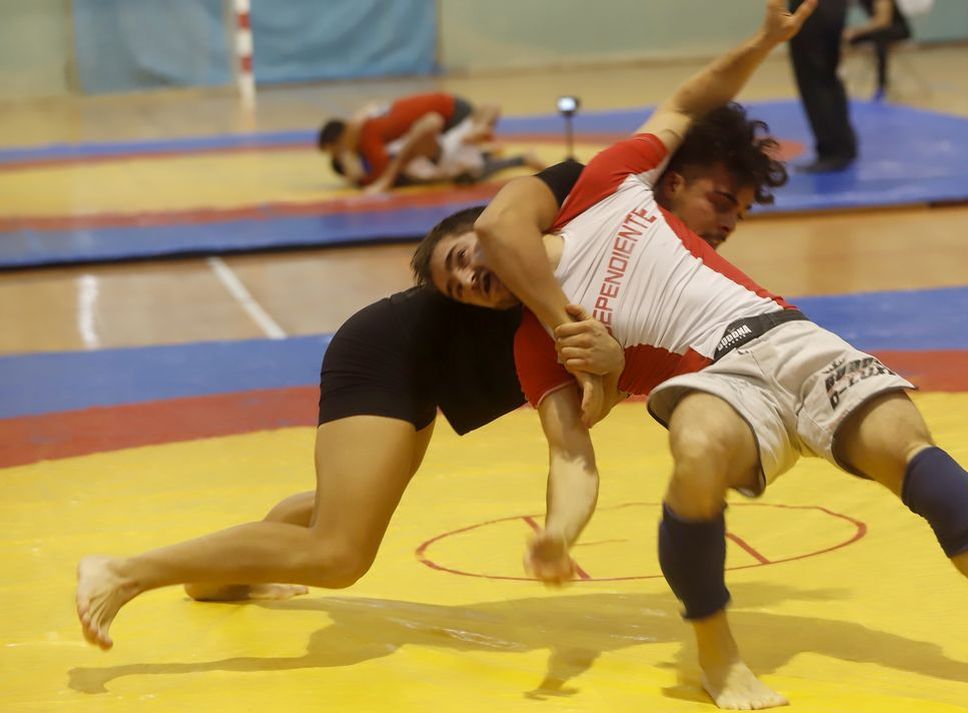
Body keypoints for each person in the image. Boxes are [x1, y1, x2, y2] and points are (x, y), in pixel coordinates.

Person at [426, 1, 968, 713]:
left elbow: (689, 102)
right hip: (715, 385)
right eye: (459, 290)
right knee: (696, 449)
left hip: (780, 332)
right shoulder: (535, 347)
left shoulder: (604, 186)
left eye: (462, 261)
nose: (470, 279)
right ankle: (717, 658)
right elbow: (571, 455)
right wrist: (560, 532)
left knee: (909, 448)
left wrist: (763, 42)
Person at [73, 131, 764, 653]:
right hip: (390, 352)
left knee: (339, 508)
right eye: (721, 201)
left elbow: (591, 397)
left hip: (429, 363)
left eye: (739, 212)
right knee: (341, 553)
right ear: (673, 184)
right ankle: (125, 571)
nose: (728, 221)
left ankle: (219, 576)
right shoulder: (585, 198)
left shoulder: (655, 261)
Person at [316, 92, 542, 194]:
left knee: (467, 161)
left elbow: (377, 166)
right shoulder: (365, 141)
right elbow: (362, 173)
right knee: (471, 165)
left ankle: (487, 141)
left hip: (447, 124)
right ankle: (498, 148)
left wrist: (379, 177)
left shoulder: (366, 136)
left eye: (337, 153)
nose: (341, 156)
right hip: (446, 132)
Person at [786, 0, 858, 173]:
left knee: (815, 80)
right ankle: (842, 146)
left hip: (813, 9)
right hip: (828, 7)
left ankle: (834, 151)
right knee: (827, 77)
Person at [844, 0, 912, 101]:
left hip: (897, 29)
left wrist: (857, 31)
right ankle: (838, 75)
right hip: (877, 31)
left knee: (879, 38)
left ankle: (881, 86)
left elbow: (883, 21)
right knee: (848, 38)